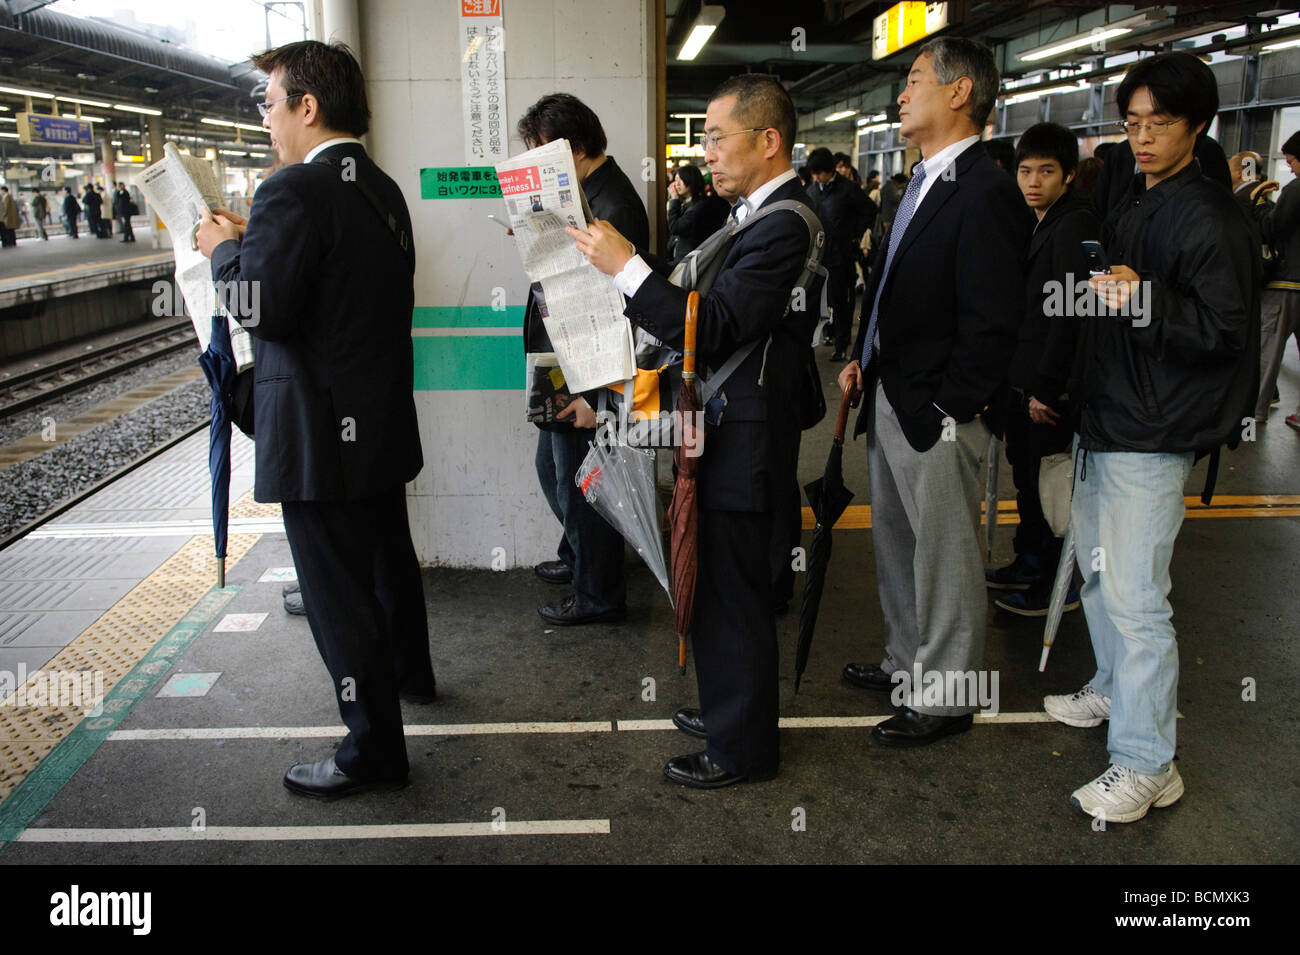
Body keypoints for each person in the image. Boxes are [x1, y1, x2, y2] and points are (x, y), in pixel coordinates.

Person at [196, 39, 436, 799]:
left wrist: (219, 253)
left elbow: (262, 307)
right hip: (377, 423)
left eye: (269, 104)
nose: (266, 121)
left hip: (321, 438)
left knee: (338, 597)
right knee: (385, 564)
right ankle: (411, 677)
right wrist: (251, 241)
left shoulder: (292, 191)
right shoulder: (382, 188)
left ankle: (373, 751)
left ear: (307, 105)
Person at [570, 73, 820, 788]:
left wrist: (627, 269)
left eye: (715, 137)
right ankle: (727, 713)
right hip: (720, 429)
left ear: (768, 140)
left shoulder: (785, 224)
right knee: (711, 587)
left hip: (741, 440)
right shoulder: (753, 217)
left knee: (733, 597)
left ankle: (741, 750)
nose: (704, 151)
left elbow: (711, 326)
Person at [1045, 51, 1258, 823]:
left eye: (1159, 124)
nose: (1141, 138)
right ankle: (1111, 685)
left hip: (1153, 428)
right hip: (1110, 417)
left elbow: (1226, 333)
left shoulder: (1209, 215)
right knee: (1100, 575)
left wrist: (1146, 300)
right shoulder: (1137, 197)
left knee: (1138, 599)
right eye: (1131, 123)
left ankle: (1147, 762)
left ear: (1196, 125)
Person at [838, 37, 1028, 745]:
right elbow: (889, 287)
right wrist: (865, 355)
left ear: (959, 93)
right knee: (897, 542)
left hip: (940, 411)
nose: (900, 94)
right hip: (893, 391)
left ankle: (946, 695)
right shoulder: (918, 182)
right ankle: (904, 662)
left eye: (914, 79)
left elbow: (994, 319)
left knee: (945, 555)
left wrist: (951, 406)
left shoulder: (987, 190)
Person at [516, 92, 649, 626]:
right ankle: (579, 558)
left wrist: (597, 395)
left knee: (579, 477)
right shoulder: (584, 195)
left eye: (541, 154)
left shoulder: (611, 204)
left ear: (576, 149)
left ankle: (598, 593)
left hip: (584, 366)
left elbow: (615, 308)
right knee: (553, 467)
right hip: (562, 357)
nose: (535, 167)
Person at [986, 122, 1098, 615]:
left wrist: (1047, 390)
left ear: (1069, 175)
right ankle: (1029, 561)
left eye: (1046, 172)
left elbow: (1072, 313)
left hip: (1045, 390)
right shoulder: (1039, 219)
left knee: (1052, 488)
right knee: (1028, 480)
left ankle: (1057, 583)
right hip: (1022, 381)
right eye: (1025, 171)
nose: (1033, 181)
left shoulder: (1074, 224)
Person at [1248, 134, 1300, 426]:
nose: (1290, 168)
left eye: (1292, 161)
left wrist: (1259, 202)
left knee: (1268, 349)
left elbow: (1273, 228)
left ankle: (1253, 411)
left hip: (1288, 284)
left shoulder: (1296, 188)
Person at [806, 146, 871, 361]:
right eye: (814, 174)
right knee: (820, 300)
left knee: (841, 302)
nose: (817, 177)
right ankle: (827, 334)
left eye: (820, 173)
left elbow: (869, 210)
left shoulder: (848, 189)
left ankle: (842, 344)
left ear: (830, 169)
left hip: (840, 256)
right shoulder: (812, 192)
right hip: (817, 258)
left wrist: (854, 234)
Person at [666, 163, 727, 263]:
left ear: (690, 180)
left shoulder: (699, 207)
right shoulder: (687, 203)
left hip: (687, 260)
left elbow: (675, 227)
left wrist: (674, 199)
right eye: (675, 180)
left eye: (680, 180)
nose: (676, 184)